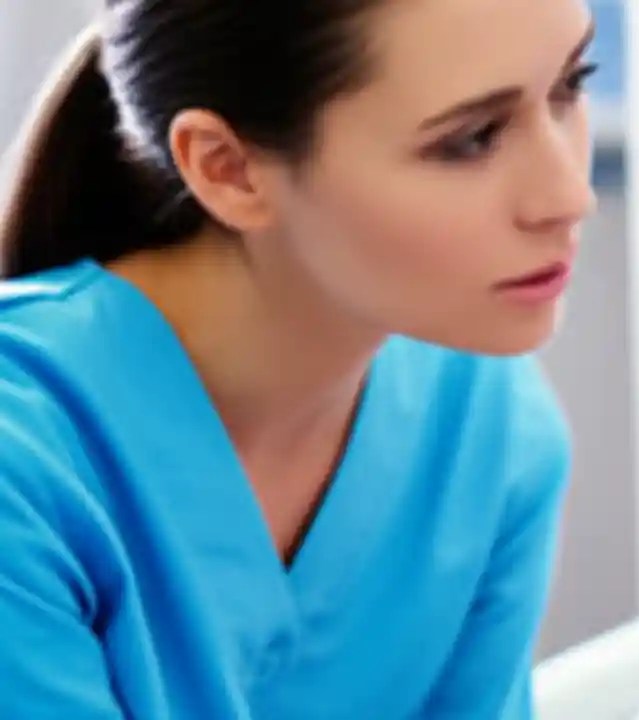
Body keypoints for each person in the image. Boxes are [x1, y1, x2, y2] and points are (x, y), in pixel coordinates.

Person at [0, 0, 597, 717]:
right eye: (471, 140)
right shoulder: (25, 460)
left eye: (570, 85)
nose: (569, 196)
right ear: (228, 170)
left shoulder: (493, 430)